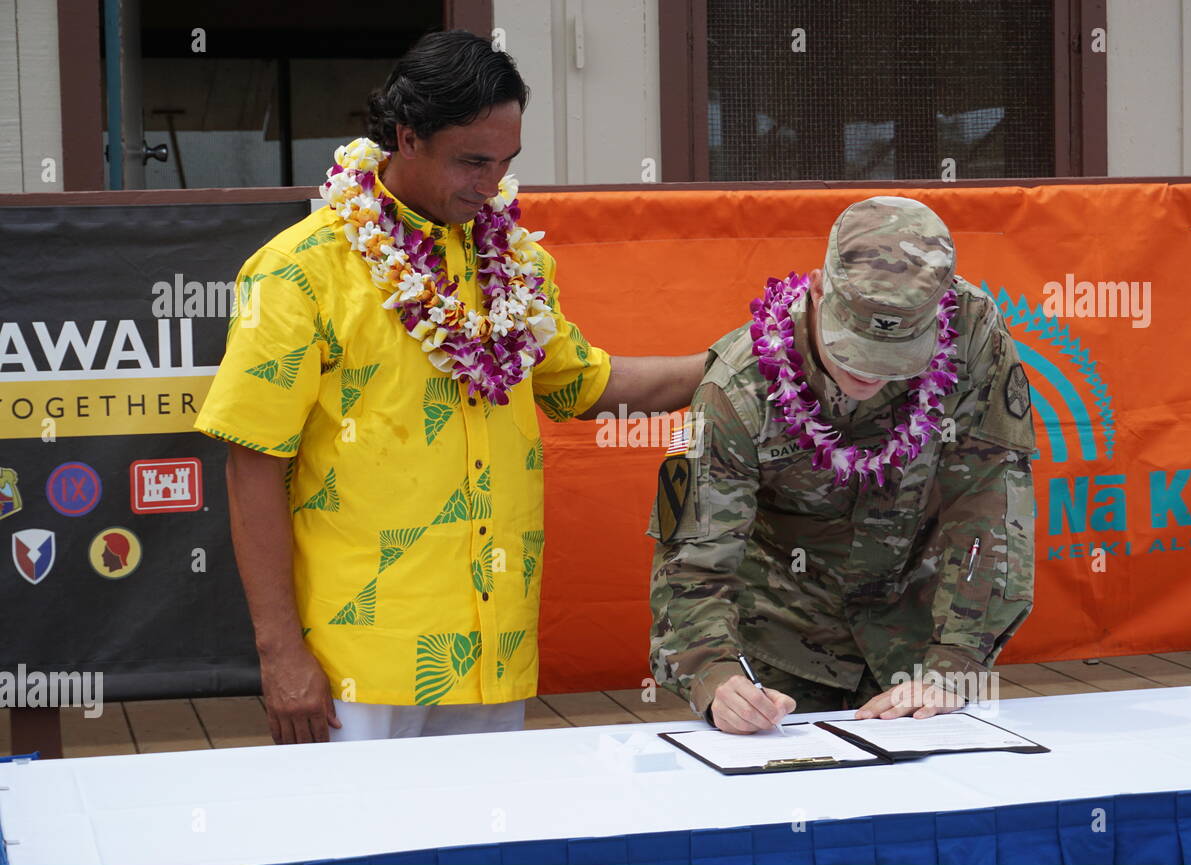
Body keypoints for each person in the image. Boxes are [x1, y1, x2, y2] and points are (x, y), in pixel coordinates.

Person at [195, 30, 705, 745]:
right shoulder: (299, 270)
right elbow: (252, 460)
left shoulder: (515, 262)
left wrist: (732, 362)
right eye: (472, 161)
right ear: (406, 137)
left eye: (506, 162)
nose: (492, 183)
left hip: (492, 652)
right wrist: (281, 655)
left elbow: (584, 385)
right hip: (360, 663)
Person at [647, 196, 1036, 735]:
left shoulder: (974, 338)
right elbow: (694, 562)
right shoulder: (737, 389)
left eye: (895, 357)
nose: (872, 375)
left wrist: (957, 663)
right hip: (782, 647)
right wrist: (713, 676)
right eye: (852, 351)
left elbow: (990, 506)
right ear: (817, 290)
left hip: (919, 638)